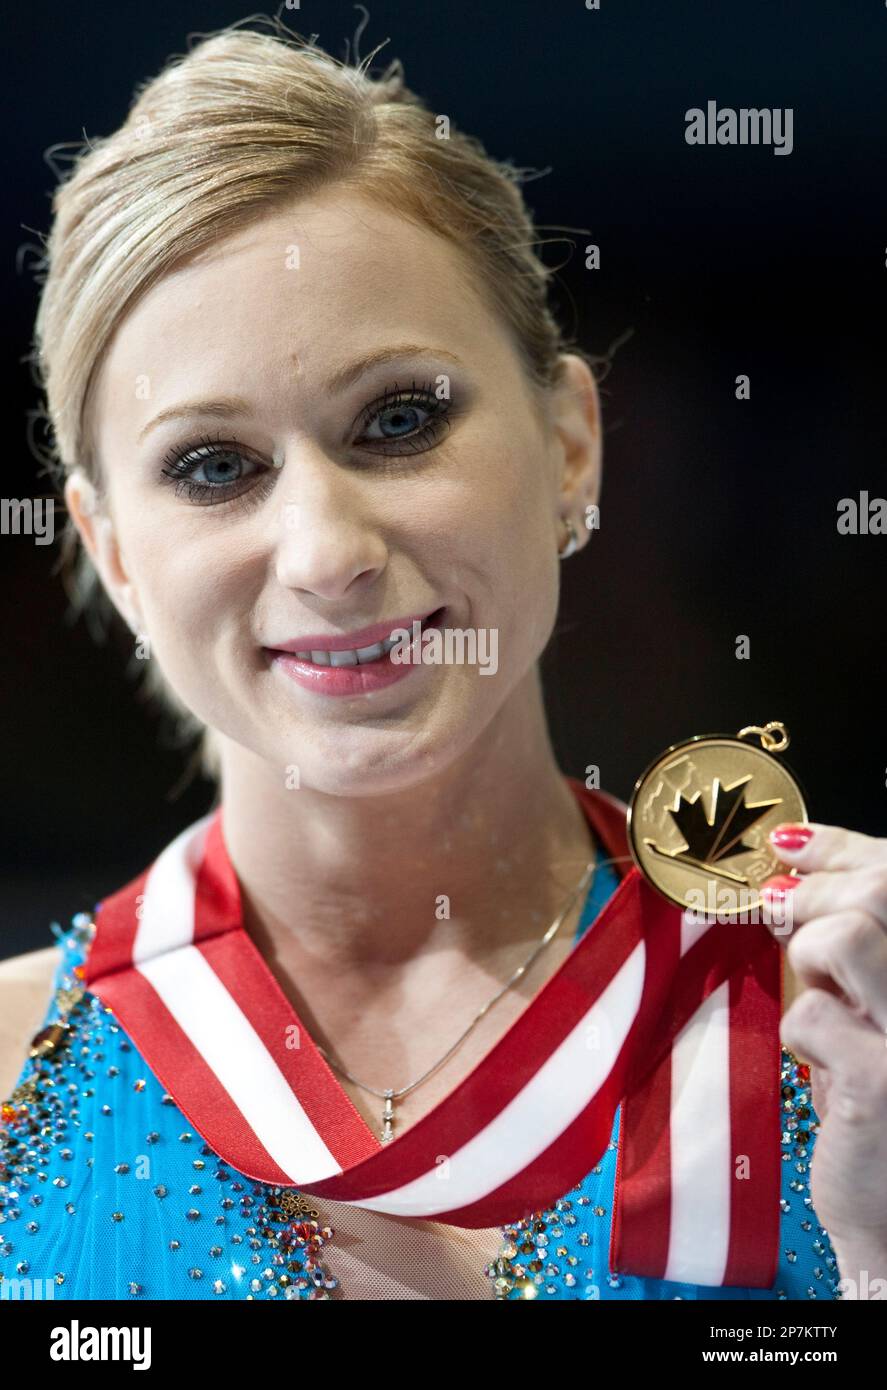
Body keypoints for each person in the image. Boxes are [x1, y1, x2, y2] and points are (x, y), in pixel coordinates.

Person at [2, 18, 885, 1302]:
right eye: (213, 466)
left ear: (571, 441)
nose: (322, 552)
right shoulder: (10, 1079)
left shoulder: (839, 1015)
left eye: (398, 419)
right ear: (114, 552)